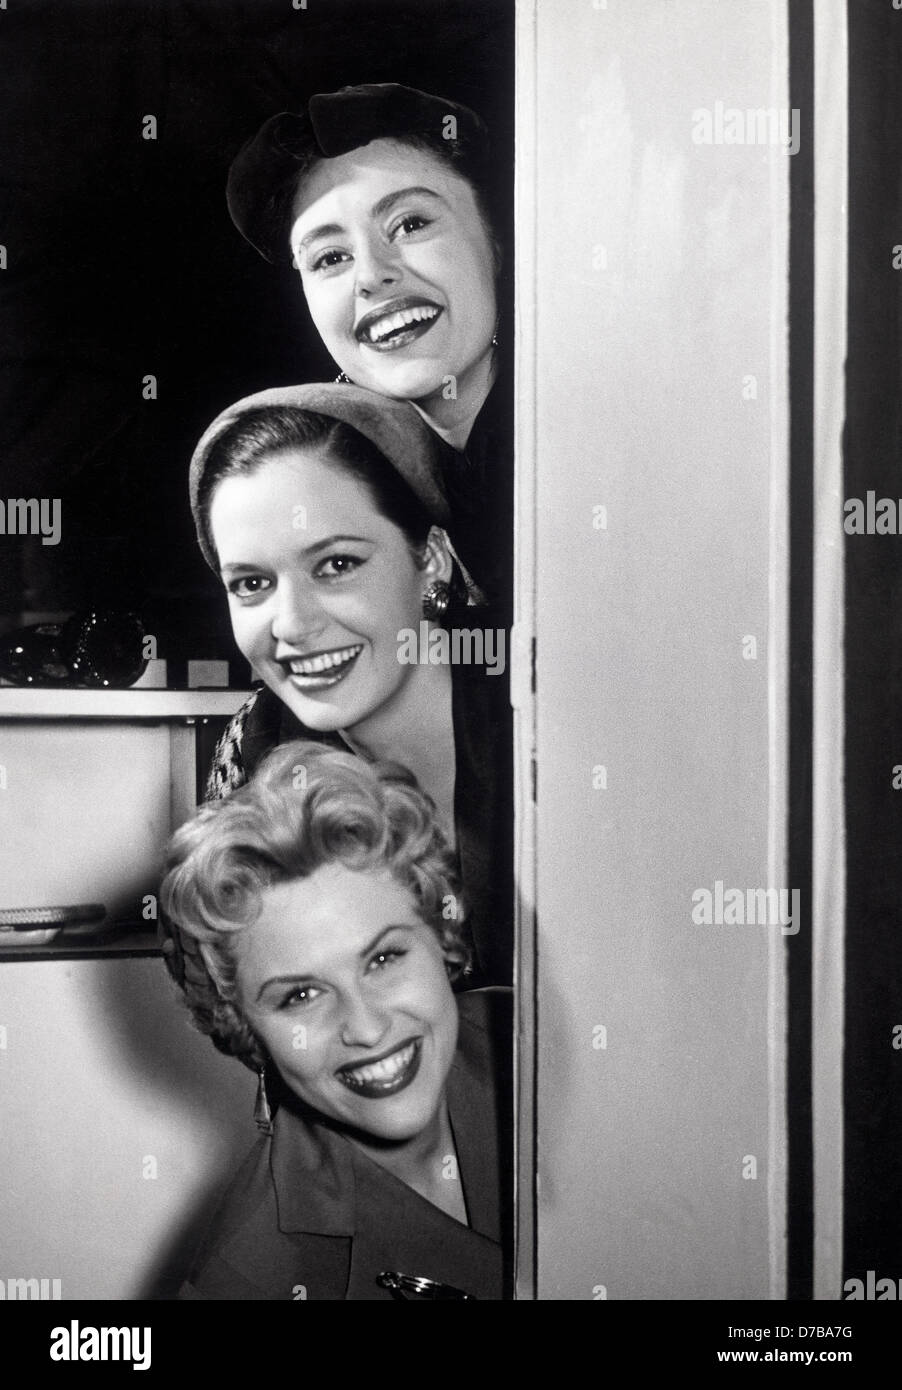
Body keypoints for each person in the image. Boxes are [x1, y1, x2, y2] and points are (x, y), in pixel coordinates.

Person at [160, 740, 512, 1301]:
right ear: (244, 1025)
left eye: (384, 958)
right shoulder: (250, 1273)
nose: (368, 1029)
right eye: (301, 995)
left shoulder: (536, 1048)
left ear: (441, 940)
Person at [186, 381, 512, 984]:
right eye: (252, 584)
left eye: (336, 565)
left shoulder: (541, 710)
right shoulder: (254, 748)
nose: (293, 624)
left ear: (431, 558)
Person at [226, 82, 512, 615]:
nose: (372, 276)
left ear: (495, 244)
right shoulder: (342, 476)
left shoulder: (583, 452)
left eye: (410, 224)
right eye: (330, 258)